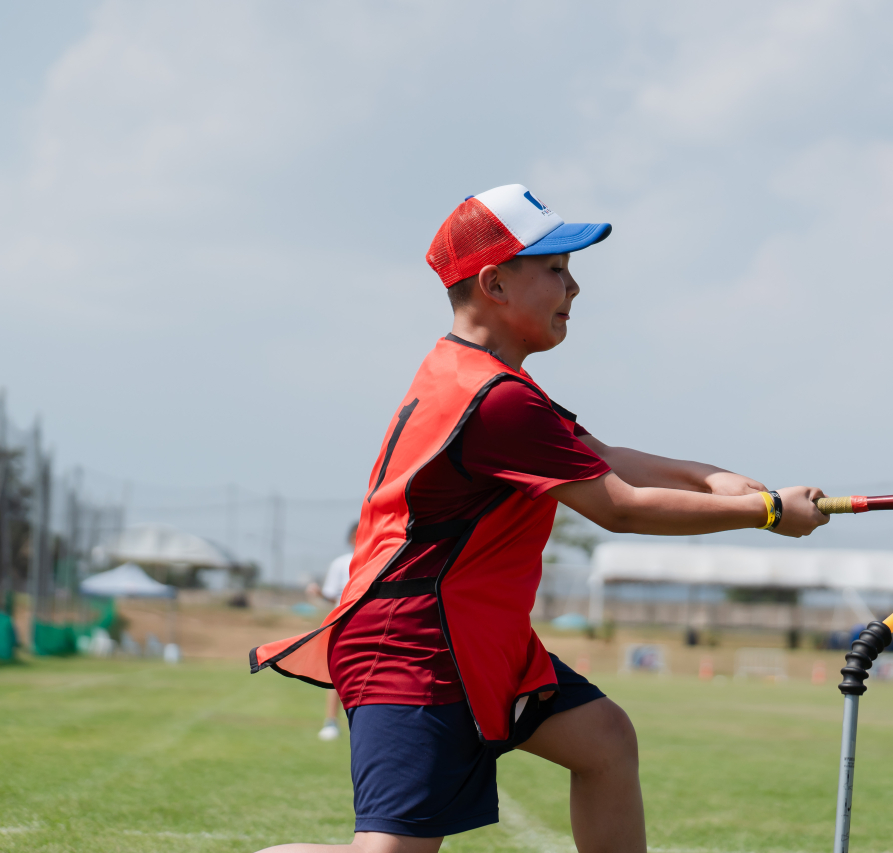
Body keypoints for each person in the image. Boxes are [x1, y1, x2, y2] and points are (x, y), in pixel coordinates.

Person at [249, 184, 829, 853]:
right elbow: (618, 505)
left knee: (604, 739)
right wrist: (765, 511)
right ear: (494, 282)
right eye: (555, 269)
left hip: (473, 635)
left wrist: (713, 478)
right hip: (413, 645)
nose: (574, 287)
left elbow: (603, 456)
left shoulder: (493, 383)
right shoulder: (494, 400)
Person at [305, 523, 358, 741]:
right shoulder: (341, 563)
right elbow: (332, 596)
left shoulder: (381, 558)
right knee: (336, 674)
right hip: (343, 623)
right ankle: (331, 722)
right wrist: (318, 593)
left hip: (371, 623)